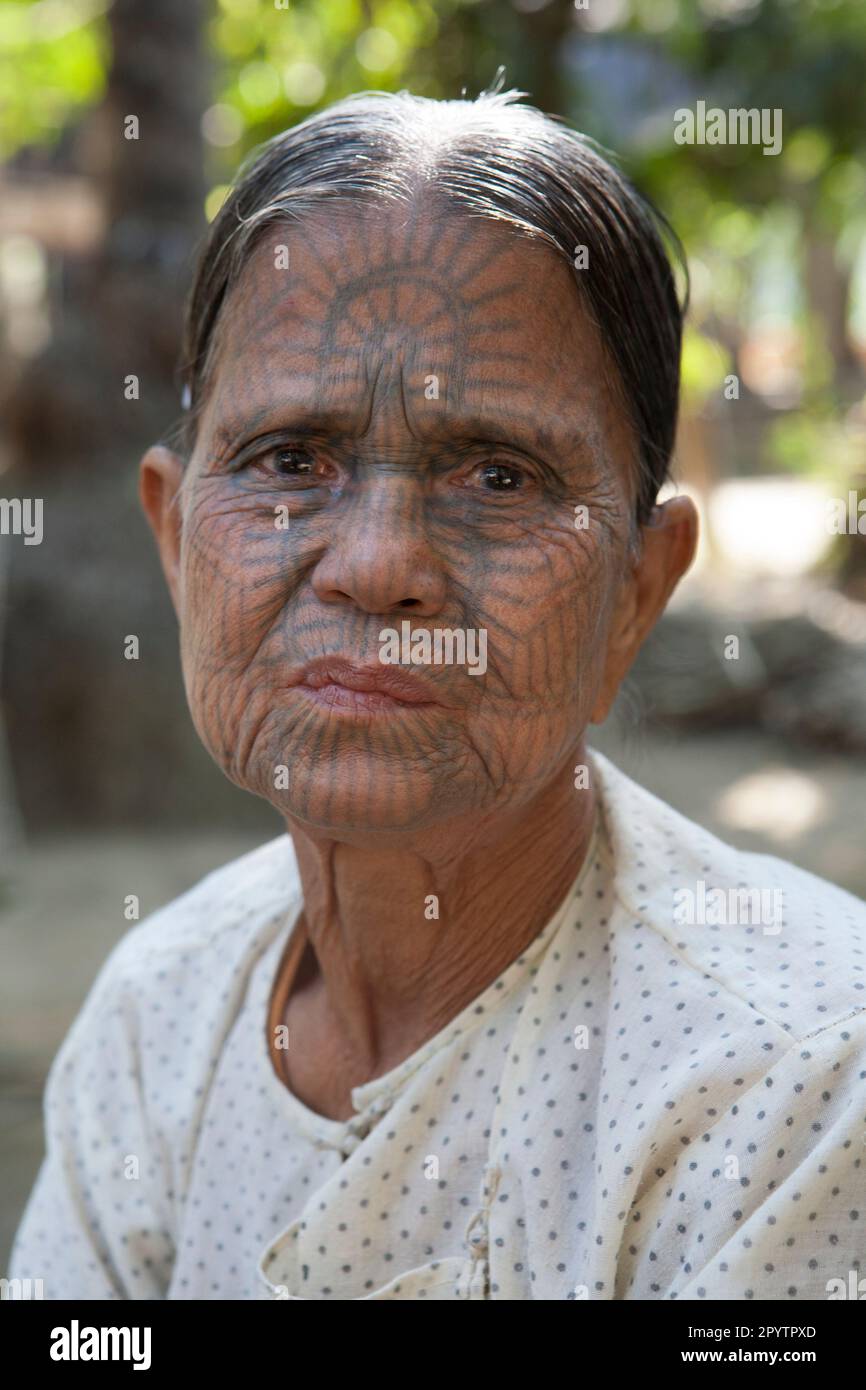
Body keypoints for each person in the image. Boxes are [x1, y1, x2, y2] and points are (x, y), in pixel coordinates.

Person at [8, 86, 866, 1302]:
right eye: (291, 460)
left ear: (637, 588)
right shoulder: (159, 1021)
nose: (376, 564)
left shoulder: (803, 1081)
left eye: (496, 474)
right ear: (176, 537)